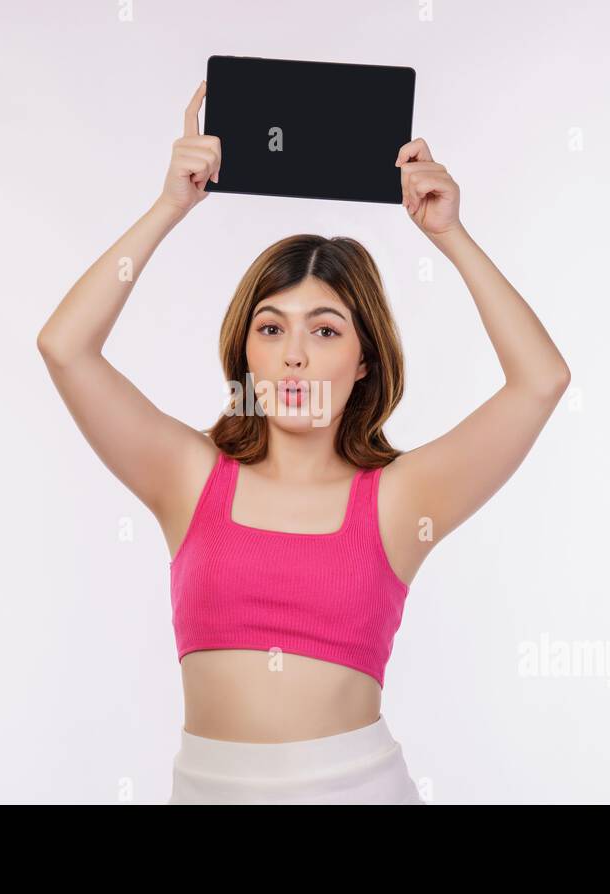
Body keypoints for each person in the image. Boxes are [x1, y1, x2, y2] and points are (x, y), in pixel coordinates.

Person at [36, 80, 571, 804]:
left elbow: (540, 380)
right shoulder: (189, 478)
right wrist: (170, 205)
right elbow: (66, 347)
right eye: (271, 328)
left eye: (324, 330)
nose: (293, 354)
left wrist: (450, 235)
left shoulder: (399, 498)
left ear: (363, 361)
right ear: (245, 355)